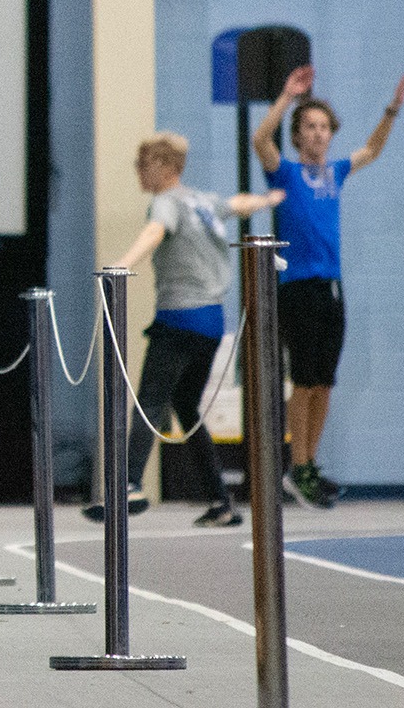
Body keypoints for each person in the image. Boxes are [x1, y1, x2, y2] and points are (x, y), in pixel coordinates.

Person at [85, 133, 283, 527]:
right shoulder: (203, 201)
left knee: (149, 402)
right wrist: (266, 200)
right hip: (211, 323)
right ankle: (220, 501)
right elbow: (237, 204)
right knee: (186, 407)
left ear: (163, 166)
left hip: (178, 317)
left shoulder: (166, 203)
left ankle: (127, 486)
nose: (139, 173)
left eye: (143, 165)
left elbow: (155, 232)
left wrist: (123, 264)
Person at [253, 64, 404, 508]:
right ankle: (295, 467)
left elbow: (372, 150)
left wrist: (392, 109)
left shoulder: (335, 173)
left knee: (324, 382)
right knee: (302, 382)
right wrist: (287, 97)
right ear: (299, 135)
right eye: (310, 127)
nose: (319, 134)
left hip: (331, 289)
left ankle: (309, 465)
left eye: (324, 127)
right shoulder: (284, 173)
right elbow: (259, 140)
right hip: (296, 288)